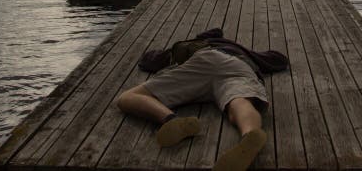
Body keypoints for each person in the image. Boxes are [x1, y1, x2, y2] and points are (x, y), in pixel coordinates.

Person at [116, 28, 289, 171]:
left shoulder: (191, 46)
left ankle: (170, 119)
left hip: (203, 61)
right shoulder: (237, 48)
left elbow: (148, 61)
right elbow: (278, 59)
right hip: (237, 65)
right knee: (240, 101)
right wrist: (248, 52)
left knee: (129, 97)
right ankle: (249, 133)